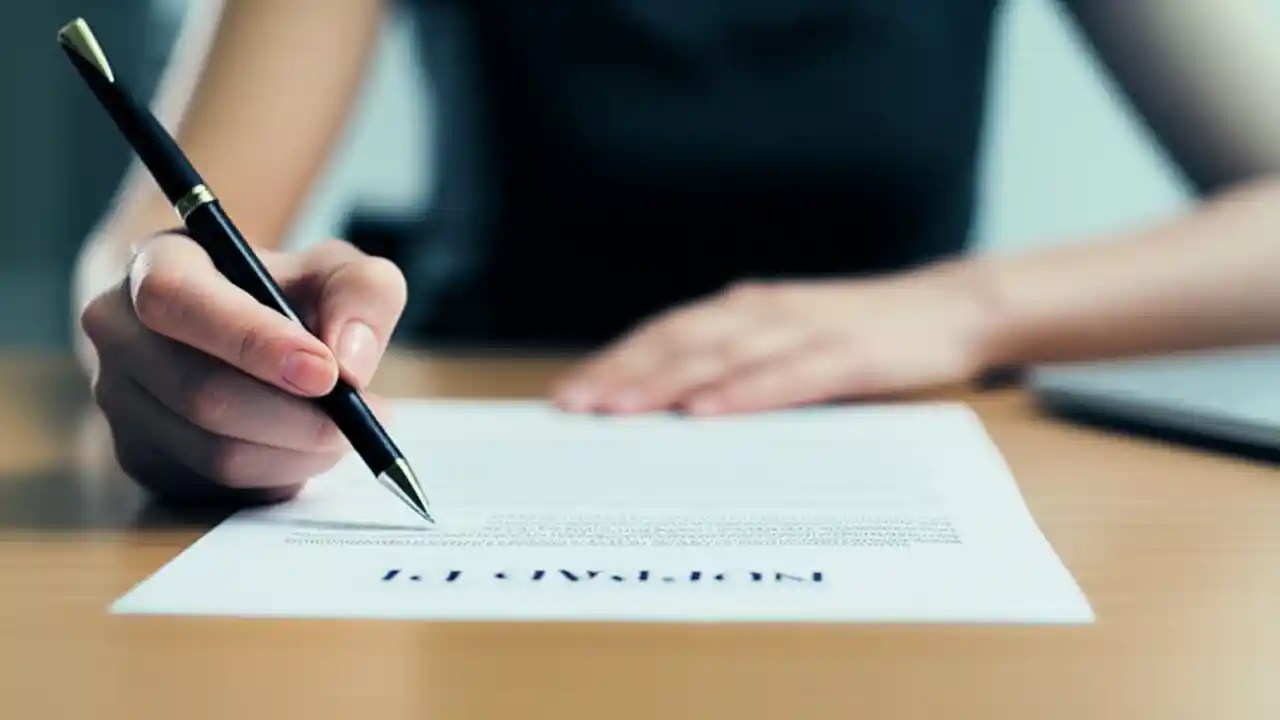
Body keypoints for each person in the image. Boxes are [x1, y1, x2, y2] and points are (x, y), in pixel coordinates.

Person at [75, 0, 1280, 502]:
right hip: (479, 415)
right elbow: (145, 251)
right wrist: (165, 333)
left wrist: (972, 308)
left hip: (889, 459)